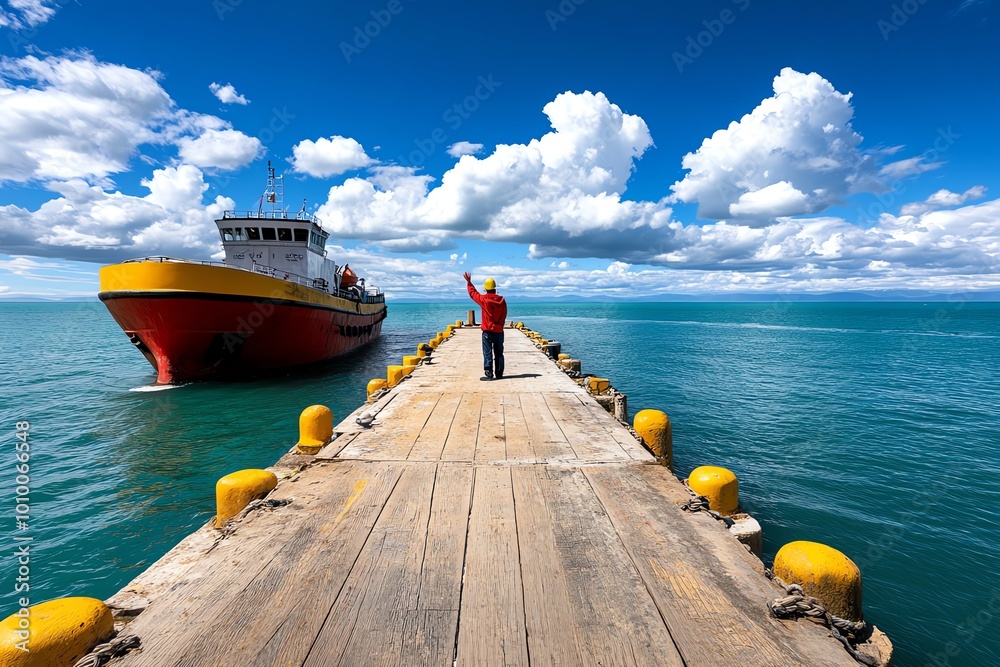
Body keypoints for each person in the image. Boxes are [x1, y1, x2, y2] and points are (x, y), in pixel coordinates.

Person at [464, 272, 507, 381]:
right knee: (499, 353)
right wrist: (500, 325)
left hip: (488, 331)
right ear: (495, 288)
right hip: (499, 331)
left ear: (485, 288)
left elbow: (473, 294)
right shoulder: (502, 301)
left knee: (487, 352)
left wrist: (469, 283)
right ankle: (499, 373)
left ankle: (489, 374)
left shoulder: (484, 300)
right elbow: (504, 315)